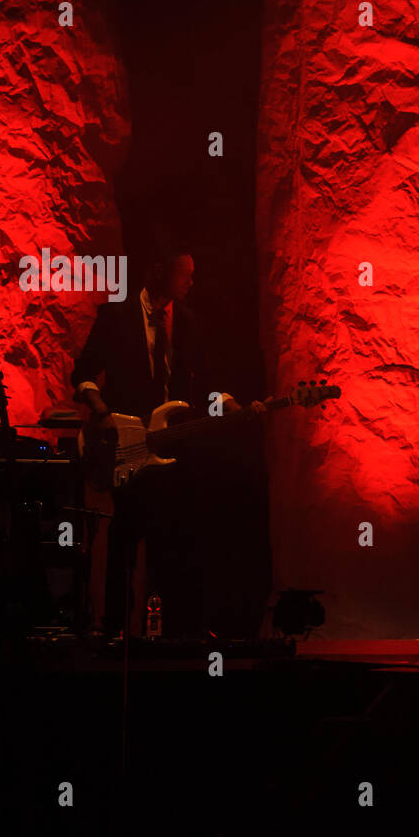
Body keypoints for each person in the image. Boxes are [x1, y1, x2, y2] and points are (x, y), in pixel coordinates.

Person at [71, 239, 262, 638]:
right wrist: (101, 411)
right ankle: (114, 631)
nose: (191, 283)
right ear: (159, 272)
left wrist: (233, 405)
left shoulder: (189, 322)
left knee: (174, 537)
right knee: (126, 534)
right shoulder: (116, 317)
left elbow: (206, 384)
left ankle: (172, 632)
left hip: (173, 448)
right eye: (184, 275)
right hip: (127, 446)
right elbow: (85, 372)